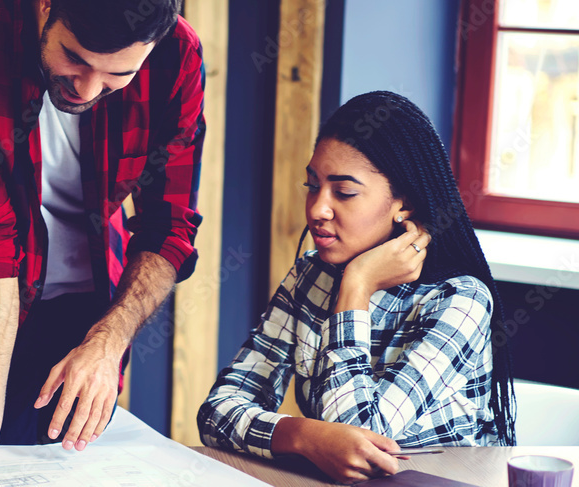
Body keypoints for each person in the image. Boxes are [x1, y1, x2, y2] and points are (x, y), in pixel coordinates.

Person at [0, 0, 204, 452]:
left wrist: (106, 343)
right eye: (76, 59)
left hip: (94, 304)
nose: (87, 89)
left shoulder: (177, 54)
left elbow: (169, 222)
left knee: (60, 457)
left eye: (117, 75)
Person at [197, 91, 515, 484]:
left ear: (404, 203)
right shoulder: (309, 277)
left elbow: (364, 438)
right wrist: (302, 435)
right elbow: (217, 412)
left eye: (344, 192)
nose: (317, 209)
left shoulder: (459, 300)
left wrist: (357, 287)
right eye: (312, 185)